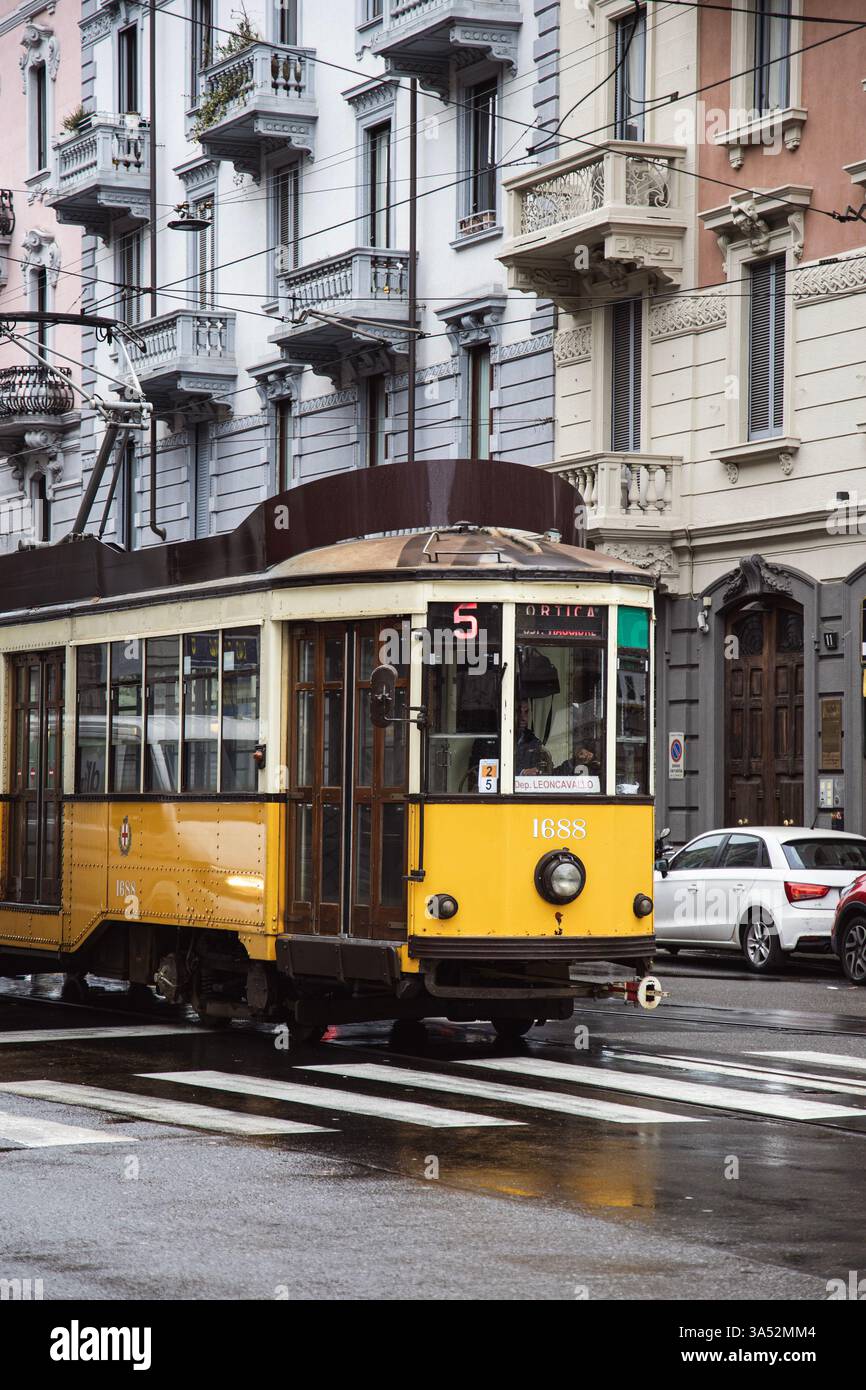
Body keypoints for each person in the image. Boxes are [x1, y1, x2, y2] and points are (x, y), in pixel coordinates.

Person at [515, 698, 551, 776]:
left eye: (526, 712)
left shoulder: (534, 741)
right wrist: (523, 772)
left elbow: (546, 768)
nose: (522, 717)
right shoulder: (502, 737)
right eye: (518, 712)